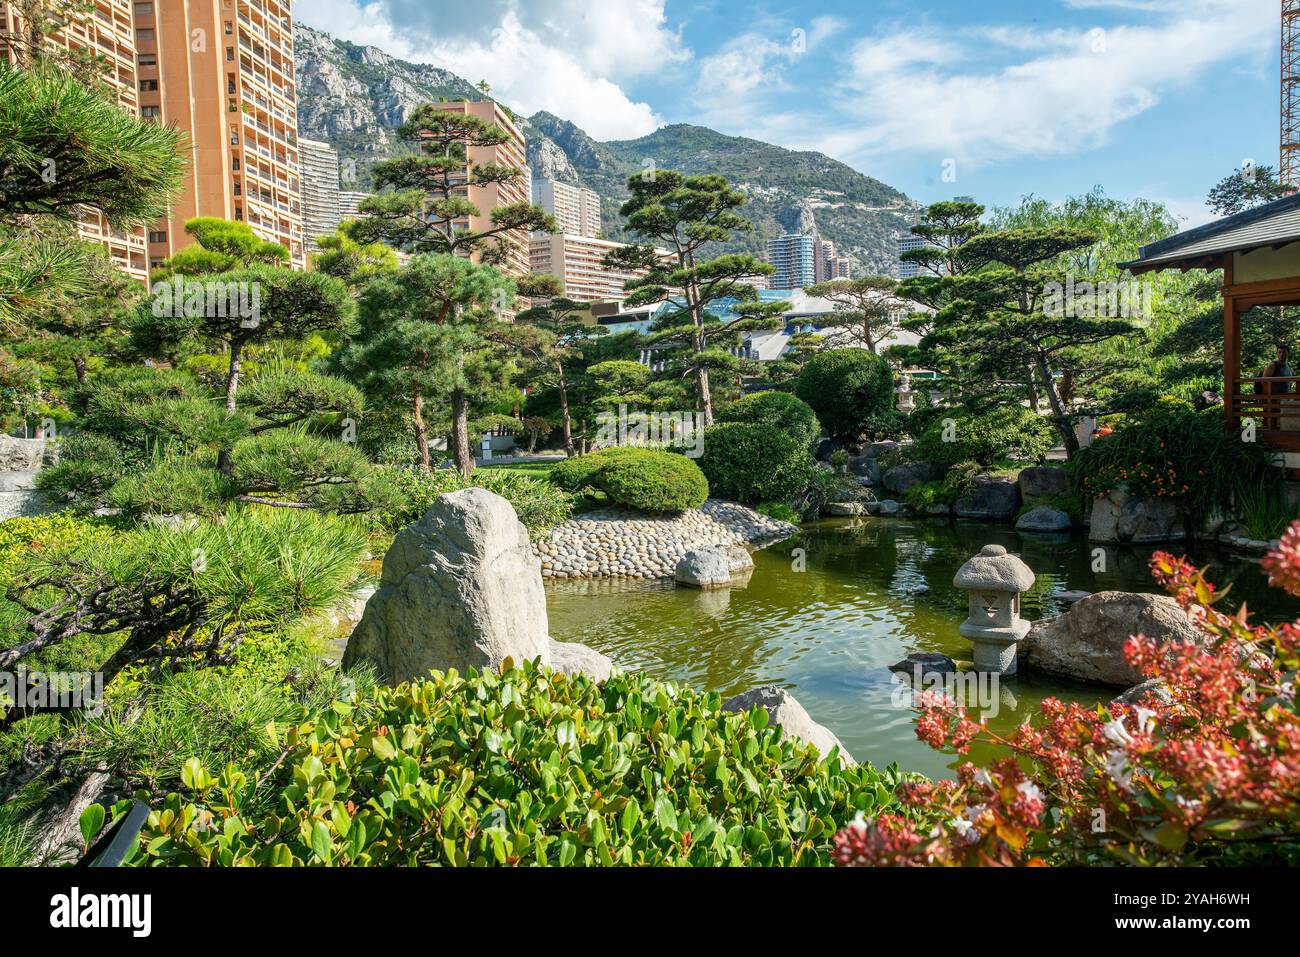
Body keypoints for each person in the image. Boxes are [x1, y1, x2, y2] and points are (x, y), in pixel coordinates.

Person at [1261, 345, 1294, 431]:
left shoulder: (1288, 367)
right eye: (1279, 352)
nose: (1281, 354)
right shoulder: (1272, 365)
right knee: (1271, 424)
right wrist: (1269, 399)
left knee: (1283, 423)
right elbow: (1263, 382)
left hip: (1285, 399)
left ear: (1288, 354)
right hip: (1273, 400)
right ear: (1276, 354)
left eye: (1284, 352)